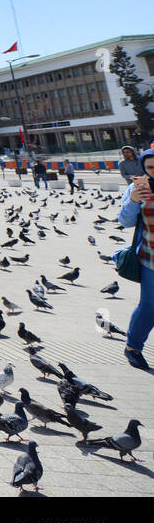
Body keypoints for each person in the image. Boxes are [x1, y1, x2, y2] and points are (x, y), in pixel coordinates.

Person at [116, 148, 154, 369]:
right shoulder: (137, 188)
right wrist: (132, 201)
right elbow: (125, 221)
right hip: (150, 258)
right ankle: (133, 347)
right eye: (150, 168)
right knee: (150, 307)